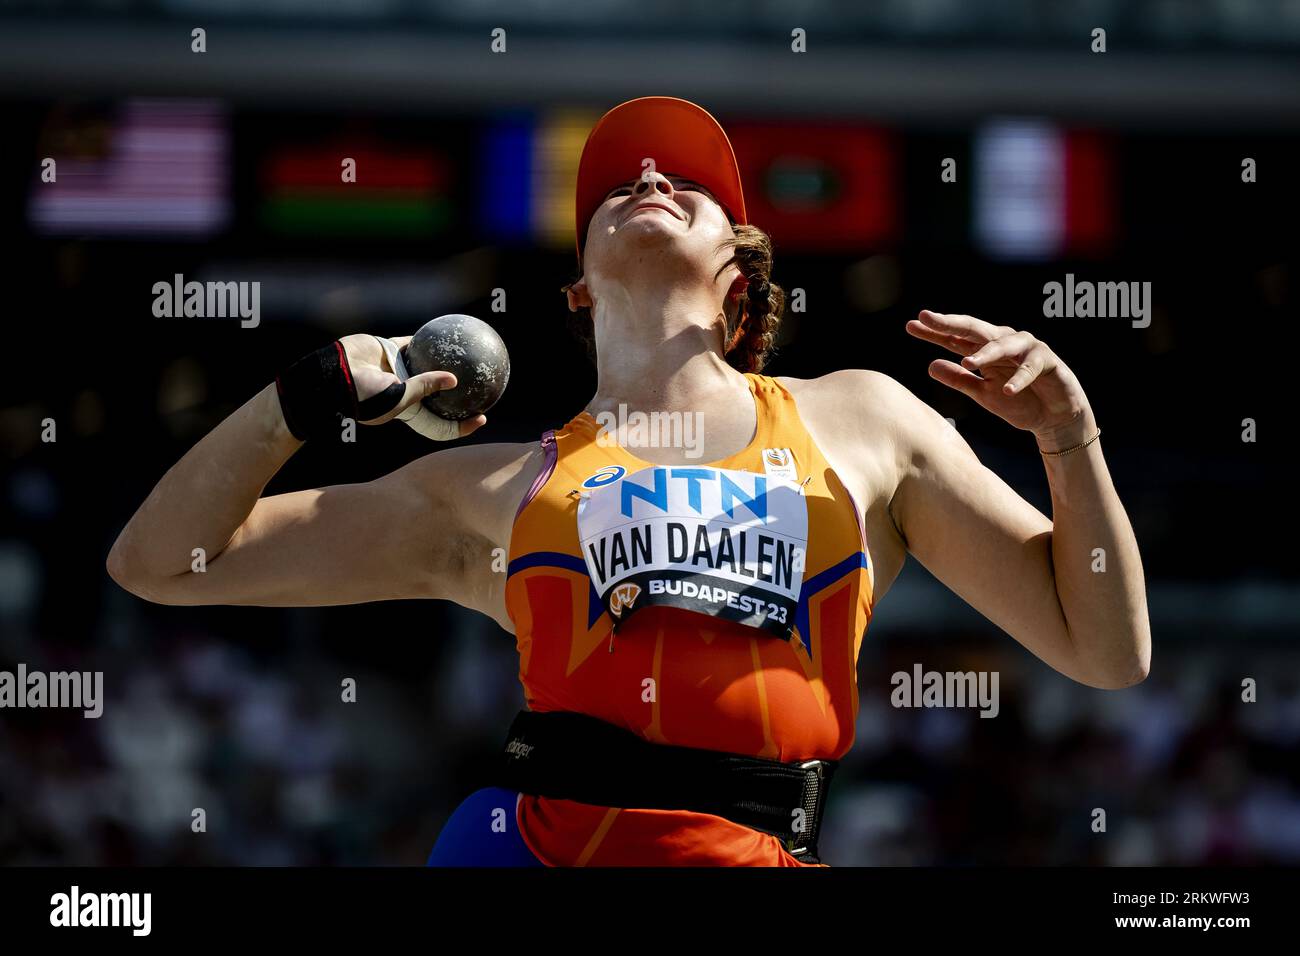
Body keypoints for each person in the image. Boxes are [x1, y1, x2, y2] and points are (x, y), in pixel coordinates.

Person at [107, 96, 1151, 867]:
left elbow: (1105, 650)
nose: (647, 179)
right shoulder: (488, 487)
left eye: (686, 183)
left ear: (743, 274)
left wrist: (1068, 433)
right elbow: (159, 563)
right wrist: (299, 398)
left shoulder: (863, 419)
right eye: (616, 186)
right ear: (579, 283)